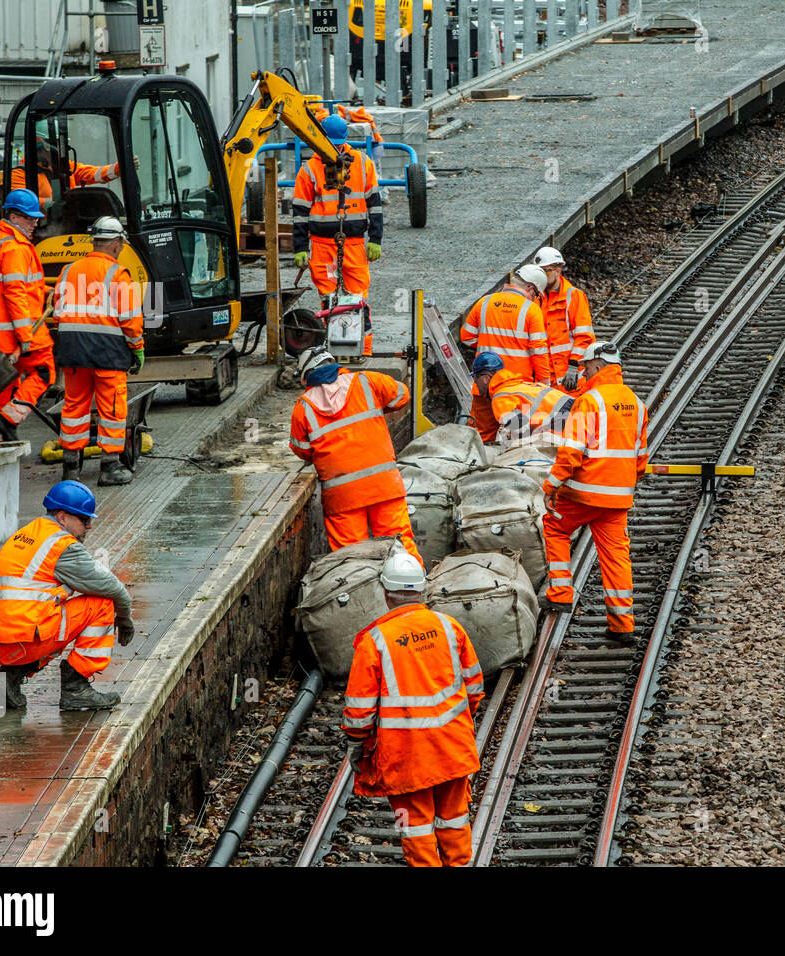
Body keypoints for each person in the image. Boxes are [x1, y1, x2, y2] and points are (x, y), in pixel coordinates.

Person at [342, 552, 485, 867]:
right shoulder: (449, 627)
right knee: (455, 818)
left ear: (385, 591)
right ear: (423, 588)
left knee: (415, 825)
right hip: (453, 747)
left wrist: (357, 744)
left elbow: (360, 712)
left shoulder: (375, 641)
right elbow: (474, 688)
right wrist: (459, 724)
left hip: (406, 755)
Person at [0, 480, 134, 711]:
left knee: (48, 613)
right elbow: (112, 588)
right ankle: (76, 689)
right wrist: (124, 617)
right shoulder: (62, 546)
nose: (89, 527)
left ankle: (11, 676)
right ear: (63, 517)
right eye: (85, 520)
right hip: (17, 640)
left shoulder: (27, 533)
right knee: (102, 604)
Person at [543, 342, 648, 638]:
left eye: (586, 367)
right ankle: (622, 624)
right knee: (616, 557)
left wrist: (551, 485)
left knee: (554, 527)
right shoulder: (637, 404)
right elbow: (641, 459)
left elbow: (571, 452)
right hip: (617, 499)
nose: (583, 372)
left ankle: (561, 593)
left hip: (582, 494)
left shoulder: (590, 401)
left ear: (599, 367)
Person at [288, 347, 422, 562]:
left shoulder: (303, 406)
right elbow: (402, 396)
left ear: (306, 376)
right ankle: (413, 593)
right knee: (399, 547)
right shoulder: (367, 381)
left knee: (350, 559)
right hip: (383, 486)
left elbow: (302, 450)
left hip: (341, 495)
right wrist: (377, 411)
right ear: (335, 364)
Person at [53, 216, 145, 486]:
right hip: (107, 354)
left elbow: (58, 313)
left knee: (75, 406)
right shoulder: (117, 274)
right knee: (112, 408)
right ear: (116, 244)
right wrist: (137, 348)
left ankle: (70, 468)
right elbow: (130, 319)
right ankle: (110, 467)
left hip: (72, 352)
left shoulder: (69, 270)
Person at [292, 113, 382, 358]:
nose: (335, 149)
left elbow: (375, 204)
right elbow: (299, 211)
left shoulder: (363, 164)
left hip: (352, 243)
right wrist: (300, 246)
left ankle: (364, 350)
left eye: (338, 144)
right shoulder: (310, 169)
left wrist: (375, 239)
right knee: (328, 299)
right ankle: (330, 349)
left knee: (358, 299)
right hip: (322, 245)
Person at [0, 188, 53, 443]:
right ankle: (8, 420)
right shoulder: (15, 248)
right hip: (18, 333)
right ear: (12, 216)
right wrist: (25, 336)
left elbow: (13, 286)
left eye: (35, 217)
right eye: (29, 217)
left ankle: (0, 444)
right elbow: (15, 292)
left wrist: (47, 290)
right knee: (44, 373)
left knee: (2, 388)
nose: (35, 222)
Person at [461, 265, 552, 438]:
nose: (535, 299)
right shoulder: (532, 310)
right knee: (515, 439)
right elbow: (539, 353)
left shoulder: (485, 302)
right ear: (530, 288)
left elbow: (467, 337)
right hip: (515, 390)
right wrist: (544, 384)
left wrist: (489, 343)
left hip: (483, 384)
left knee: (482, 437)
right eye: (536, 295)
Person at [471, 350, 572, 446]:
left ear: (486, 378)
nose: (476, 384)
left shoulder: (500, 397)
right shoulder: (521, 386)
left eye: (476, 380)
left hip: (566, 423)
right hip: (576, 411)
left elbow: (522, 432)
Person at [534, 246, 596, 393]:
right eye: (539, 271)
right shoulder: (536, 299)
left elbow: (584, 337)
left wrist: (574, 366)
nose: (542, 276)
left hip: (571, 379)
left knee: (574, 415)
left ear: (558, 269)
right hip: (545, 379)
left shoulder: (574, 296)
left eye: (546, 271)